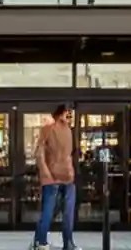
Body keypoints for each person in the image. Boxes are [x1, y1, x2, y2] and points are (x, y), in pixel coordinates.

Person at [32, 104, 79, 250]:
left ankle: (47, 242)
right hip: (56, 176)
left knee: (62, 212)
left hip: (63, 176)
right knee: (52, 211)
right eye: (68, 113)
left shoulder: (67, 131)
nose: (70, 117)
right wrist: (46, 173)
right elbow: (39, 153)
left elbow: (68, 154)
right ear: (62, 113)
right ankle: (43, 242)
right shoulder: (50, 128)